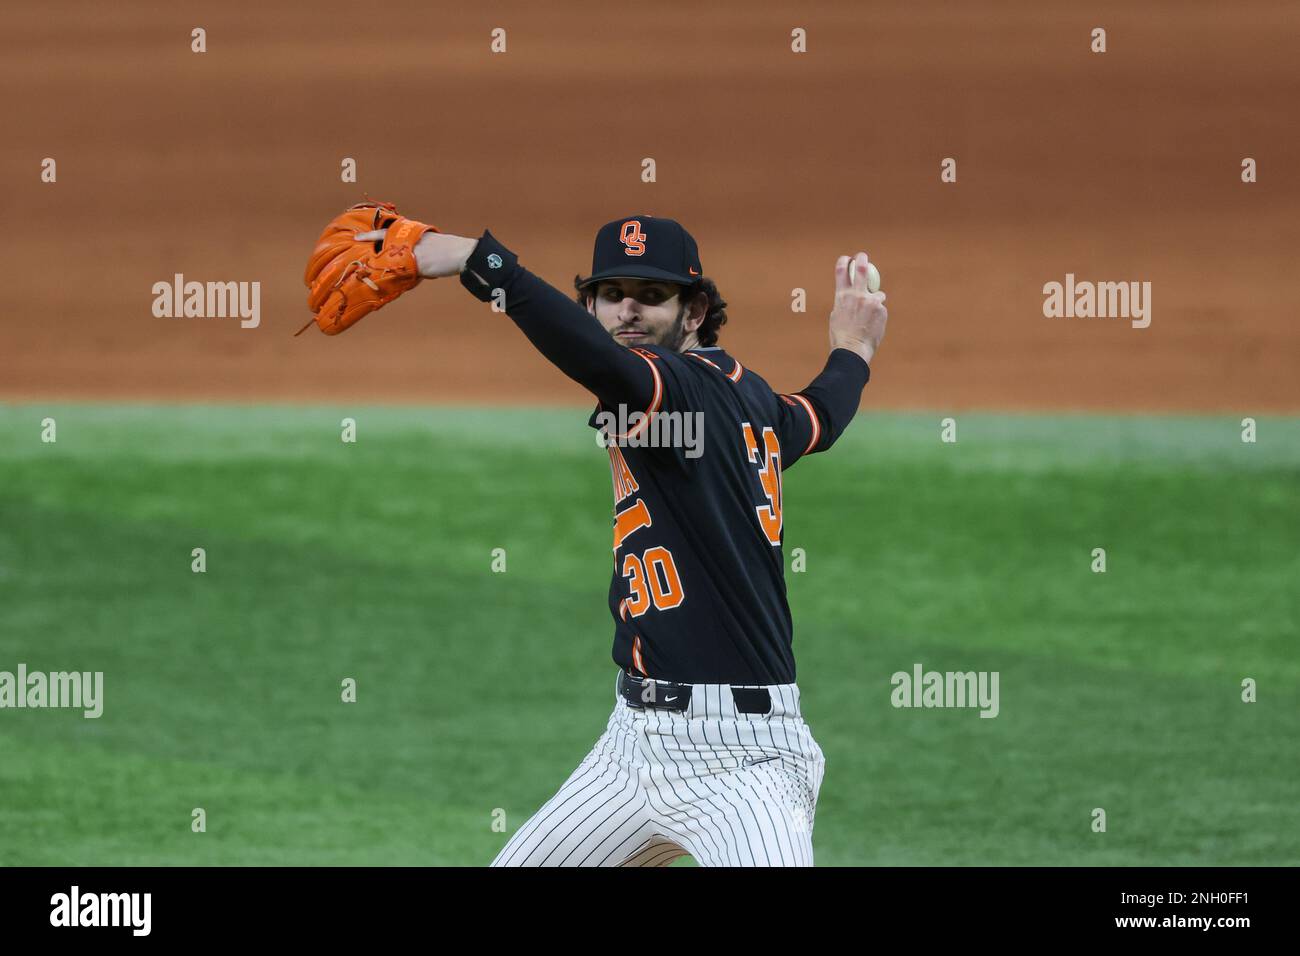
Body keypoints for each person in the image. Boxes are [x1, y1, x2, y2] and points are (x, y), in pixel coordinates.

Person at [379, 214, 887, 866]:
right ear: (590, 301)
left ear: (696, 309)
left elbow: (595, 359)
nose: (629, 311)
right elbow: (817, 418)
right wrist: (853, 349)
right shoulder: (748, 398)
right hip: (631, 746)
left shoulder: (676, 390)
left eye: (653, 296)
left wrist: (480, 261)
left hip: (745, 761)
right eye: (612, 294)